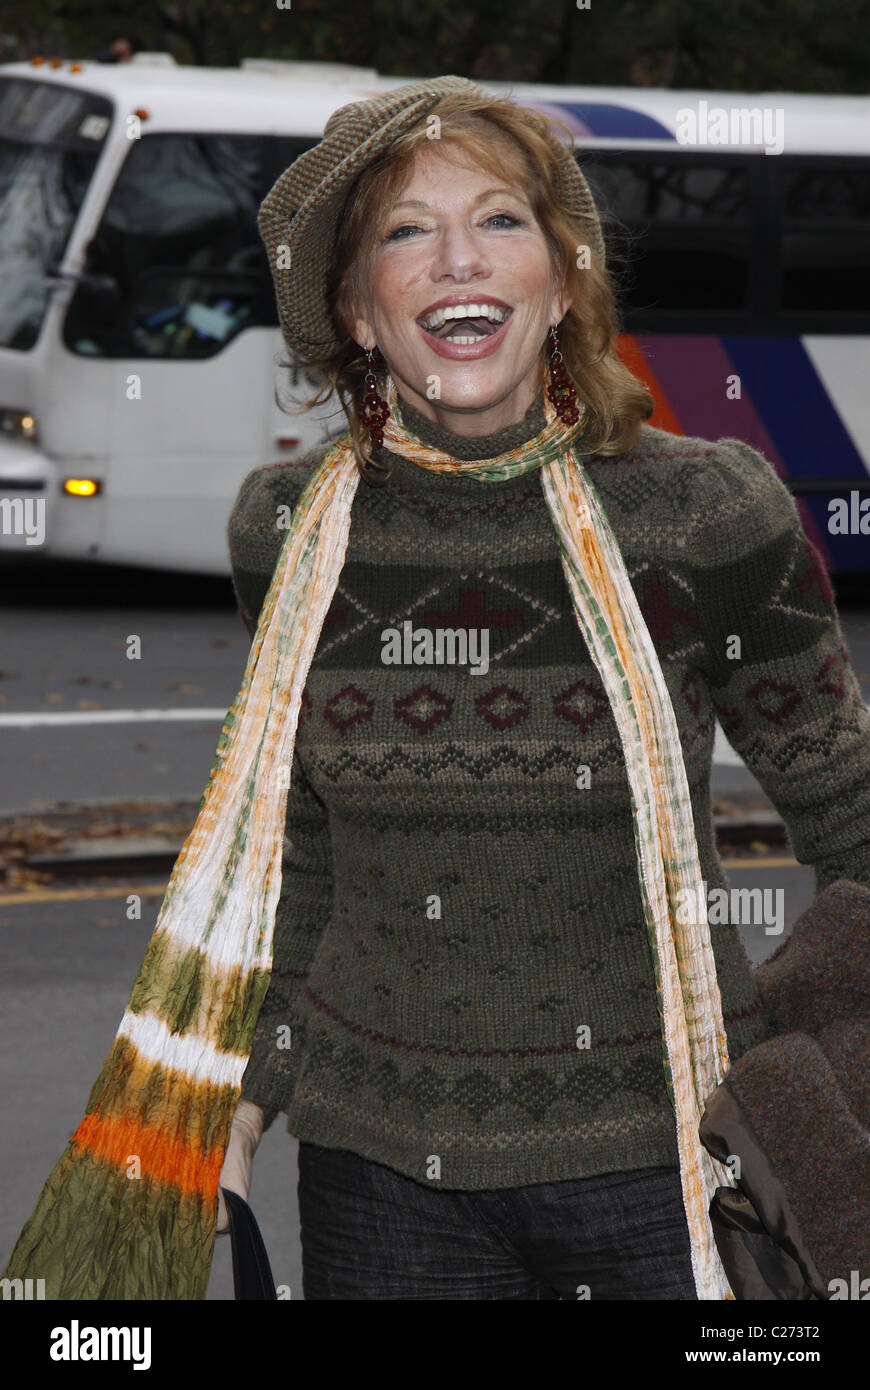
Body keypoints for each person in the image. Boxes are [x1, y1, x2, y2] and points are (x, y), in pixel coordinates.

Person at [215, 76, 870, 1300]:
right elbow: (298, 857)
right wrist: (242, 1104)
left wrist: (829, 1059)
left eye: (501, 220)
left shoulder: (708, 512)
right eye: (407, 231)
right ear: (357, 310)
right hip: (378, 1186)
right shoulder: (290, 535)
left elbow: (852, 817)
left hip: (677, 1165)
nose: (458, 259)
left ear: (563, 282)